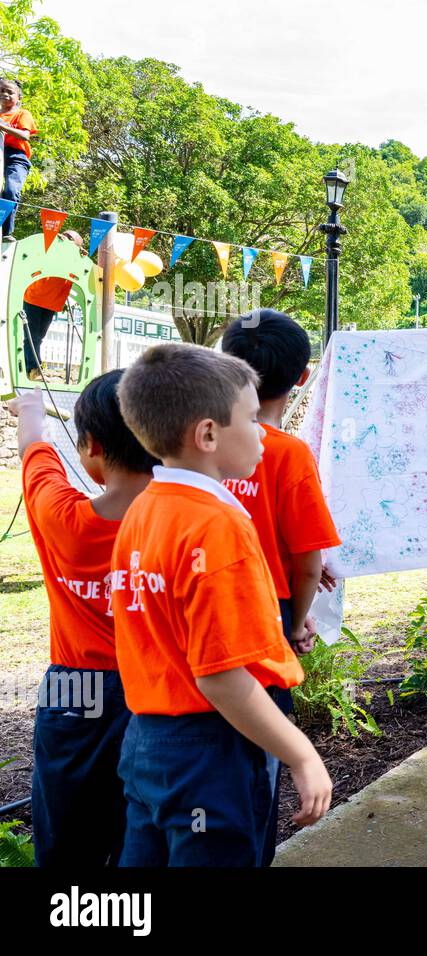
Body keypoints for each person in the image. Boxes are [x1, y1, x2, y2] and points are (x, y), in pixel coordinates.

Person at [111, 343, 332, 866]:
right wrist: (301, 755)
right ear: (208, 435)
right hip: (212, 748)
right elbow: (222, 677)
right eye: (252, 419)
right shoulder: (218, 525)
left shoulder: (143, 511)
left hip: (146, 741)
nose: (261, 432)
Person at [6, 374, 159, 866]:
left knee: (65, 829)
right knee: (144, 823)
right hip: (156, 688)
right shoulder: (187, 522)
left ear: (92, 446)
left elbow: (35, 447)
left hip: (73, 686)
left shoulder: (60, 514)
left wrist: (30, 408)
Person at [219, 309, 342, 864]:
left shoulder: (194, 443)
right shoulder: (287, 452)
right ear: (301, 377)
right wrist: (296, 623)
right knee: (259, 754)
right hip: (266, 621)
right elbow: (308, 561)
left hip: (201, 620)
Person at [20, 230, 85, 380]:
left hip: (52, 302)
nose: (68, 241)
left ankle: (30, 368)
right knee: (32, 336)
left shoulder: (76, 259)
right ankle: (33, 369)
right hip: (34, 297)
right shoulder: (50, 248)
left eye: (72, 241)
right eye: (67, 238)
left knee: (39, 337)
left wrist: (80, 256)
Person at [0, 78, 35, 240]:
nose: (5, 94)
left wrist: (3, 126)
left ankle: (6, 231)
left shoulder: (22, 114)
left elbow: (25, 136)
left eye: (10, 92)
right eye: (1, 91)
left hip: (16, 157)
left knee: (11, 190)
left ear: (18, 97)